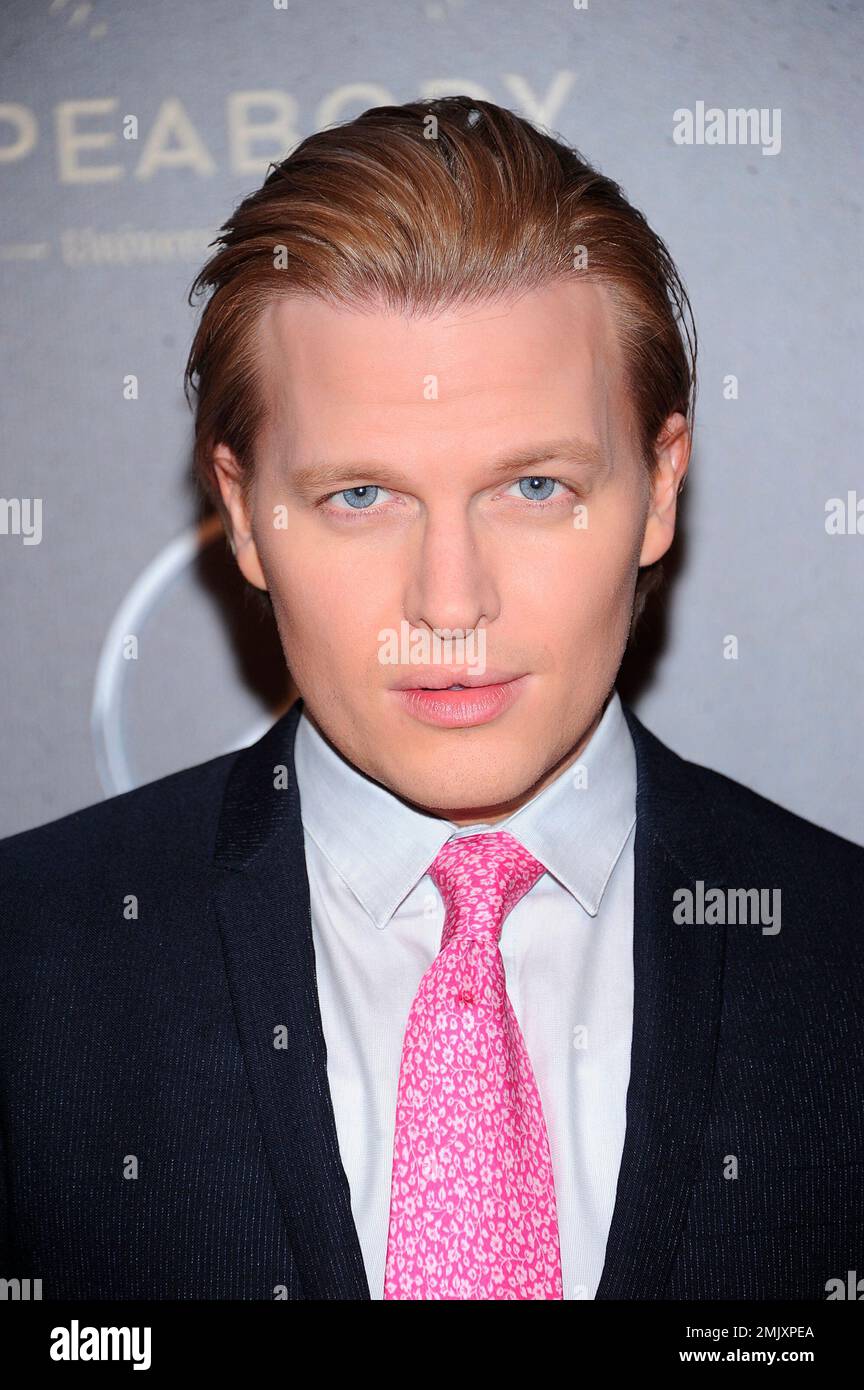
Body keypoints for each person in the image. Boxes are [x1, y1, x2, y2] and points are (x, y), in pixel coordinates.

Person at [1, 97, 861, 1302]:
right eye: (360, 496)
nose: (448, 603)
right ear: (246, 514)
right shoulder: (27, 964)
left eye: (534, 485)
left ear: (661, 487)